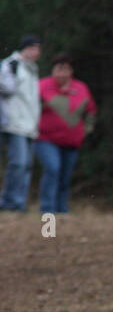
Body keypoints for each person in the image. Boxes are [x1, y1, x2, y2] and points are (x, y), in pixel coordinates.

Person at [35, 53, 97, 215]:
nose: (62, 73)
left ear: (71, 71)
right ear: (53, 70)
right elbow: (31, 107)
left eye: (66, 69)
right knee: (53, 168)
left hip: (71, 142)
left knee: (65, 176)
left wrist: (87, 130)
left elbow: (91, 111)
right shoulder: (42, 86)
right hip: (45, 138)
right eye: (59, 69)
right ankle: (47, 208)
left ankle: (62, 210)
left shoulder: (81, 88)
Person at [0, 34, 43, 211]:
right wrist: (12, 75)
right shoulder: (11, 64)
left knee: (26, 165)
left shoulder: (32, 69)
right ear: (25, 48)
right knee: (18, 163)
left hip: (29, 125)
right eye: (33, 48)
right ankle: (10, 202)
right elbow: (6, 87)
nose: (36, 53)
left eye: (39, 49)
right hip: (14, 123)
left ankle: (19, 203)